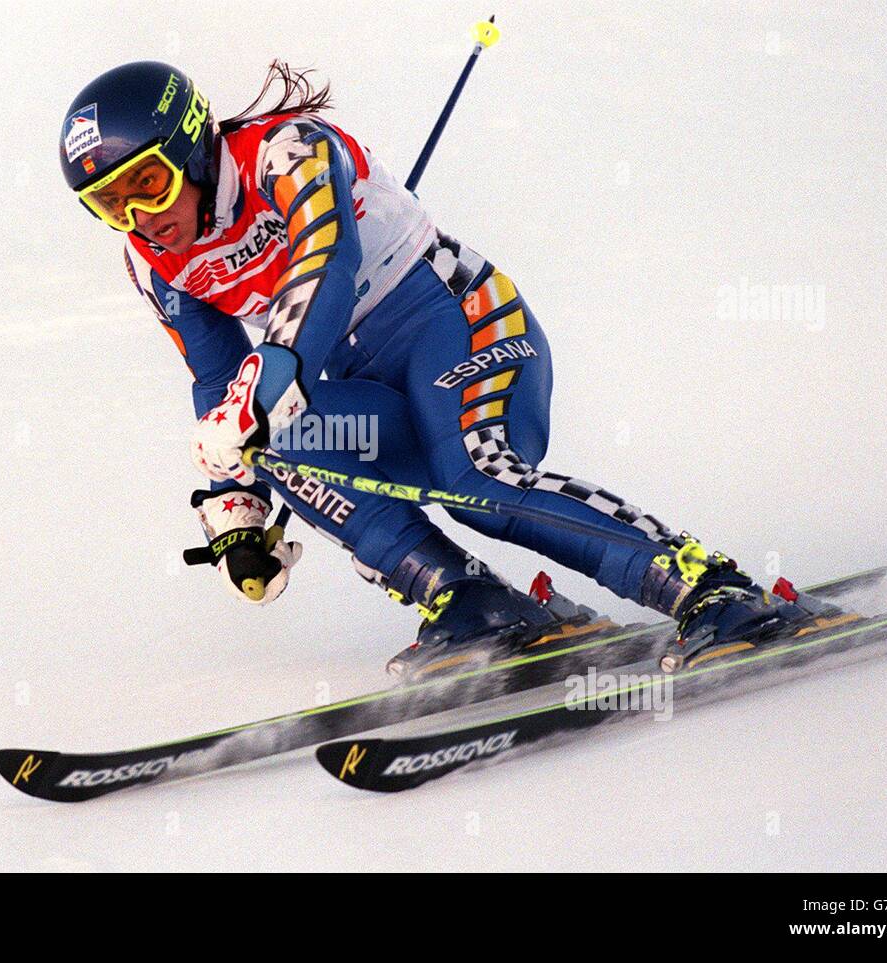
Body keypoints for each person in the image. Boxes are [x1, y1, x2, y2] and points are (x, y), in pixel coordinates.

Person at [59, 60, 828, 680]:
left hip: (455, 325)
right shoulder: (155, 265)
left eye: (150, 184)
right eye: (109, 204)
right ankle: (469, 598)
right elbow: (217, 385)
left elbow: (327, 264)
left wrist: (267, 381)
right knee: (278, 439)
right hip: (359, 381)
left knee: (476, 486)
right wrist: (237, 509)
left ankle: (708, 586)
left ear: (194, 146)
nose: (141, 218)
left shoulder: (287, 151)